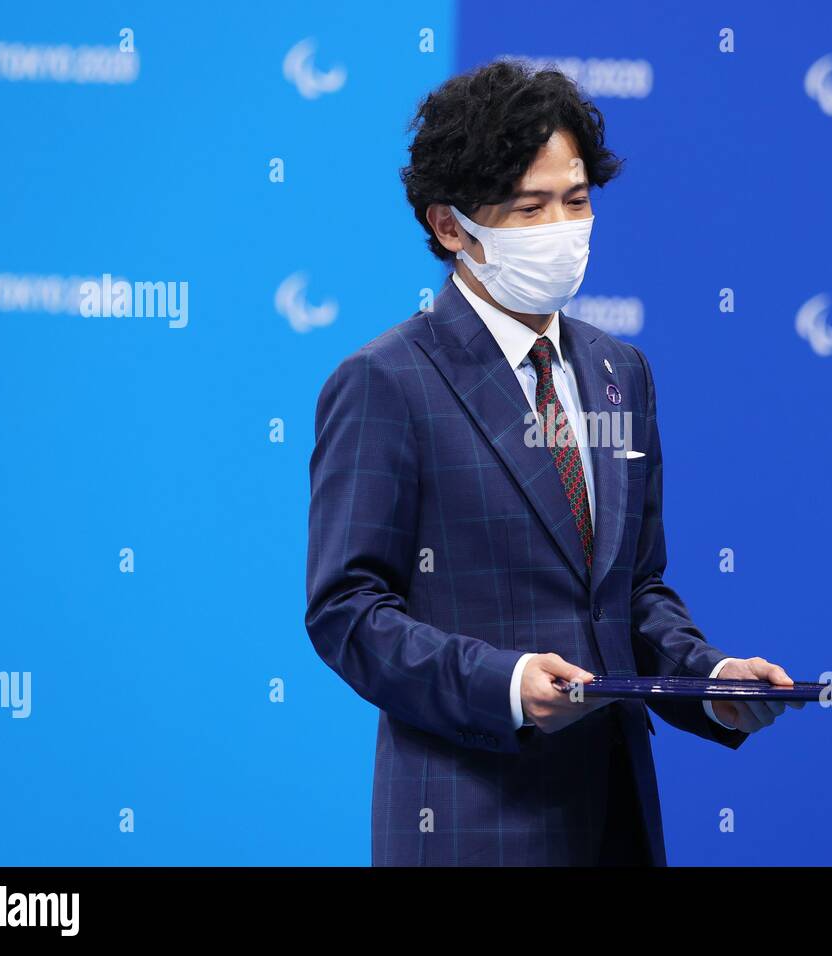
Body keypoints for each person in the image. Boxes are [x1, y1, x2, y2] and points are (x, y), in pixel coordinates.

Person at [306, 59, 795, 866]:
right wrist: (505, 683)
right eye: (530, 208)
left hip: (616, 819)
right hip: (472, 822)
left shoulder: (620, 372)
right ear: (452, 226)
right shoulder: (385, 383)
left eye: (576, 200)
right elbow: (348, 613)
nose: (564, 228)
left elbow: (632, 590)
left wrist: (709, 679)